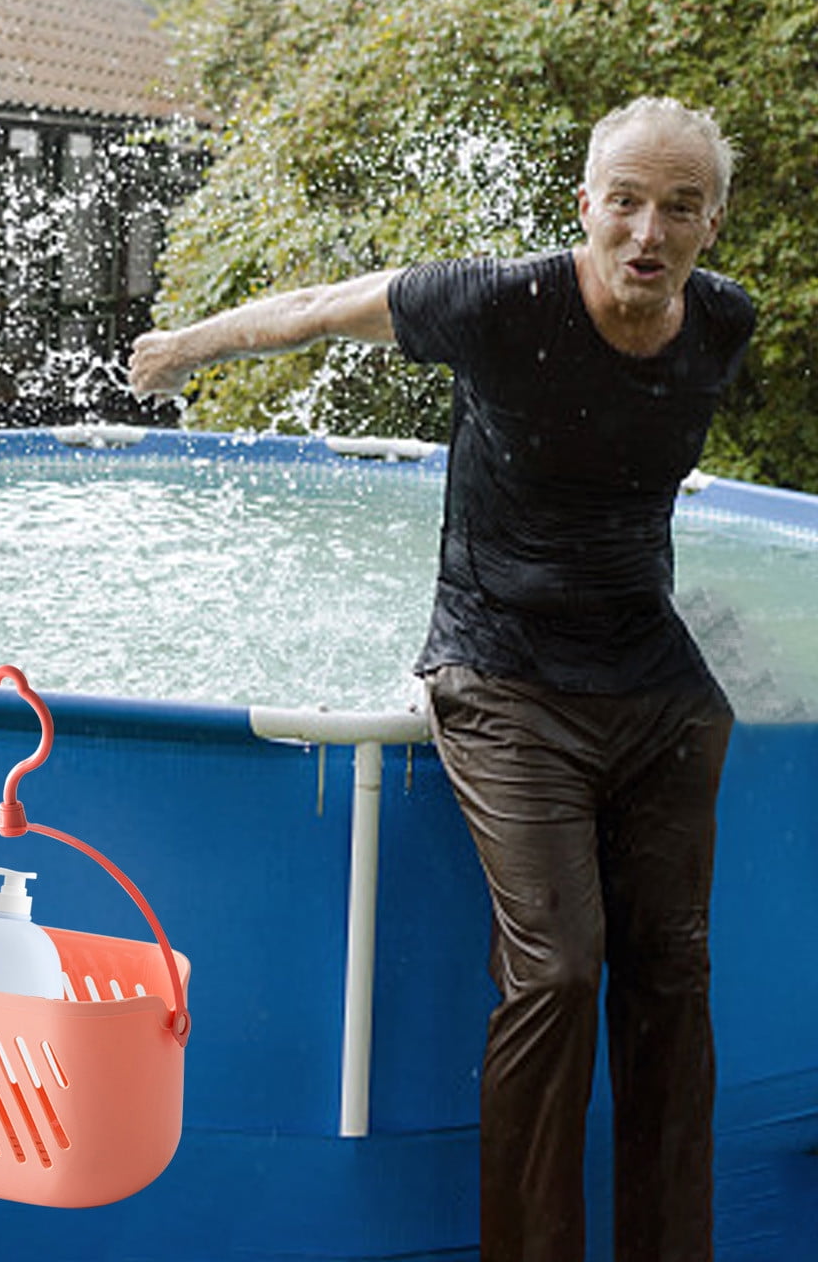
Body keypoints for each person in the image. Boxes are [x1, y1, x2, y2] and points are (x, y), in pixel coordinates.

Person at [129, 97, 756, 1262]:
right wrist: (183, 348)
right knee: (558, 971)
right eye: (624, 201)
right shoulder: (498, 303)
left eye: (678, 207)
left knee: (672, 975)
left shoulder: (721, 321)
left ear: (710, 223)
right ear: (586, 204)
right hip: (502, 676)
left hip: (656, 692)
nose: (647, 232)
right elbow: (315, 310)